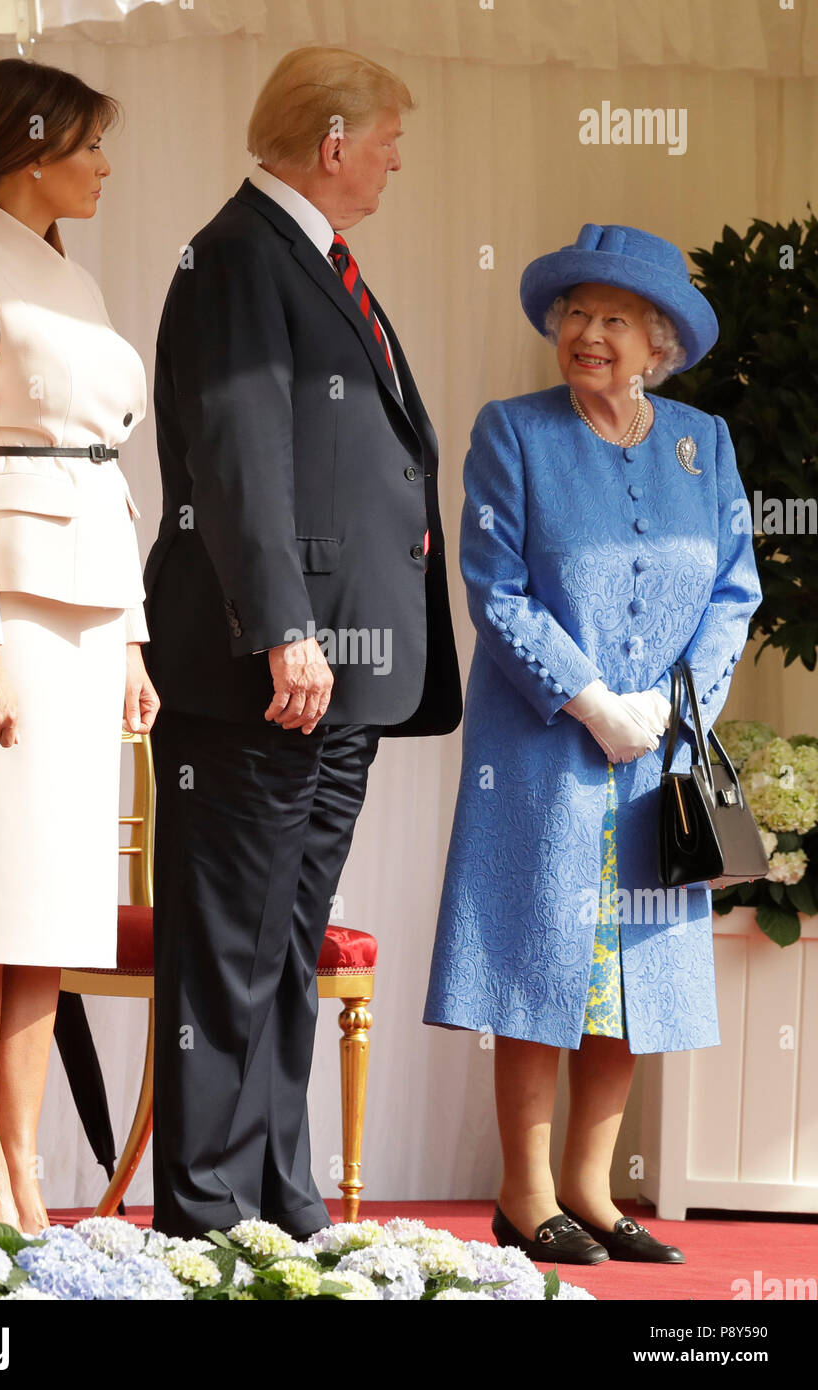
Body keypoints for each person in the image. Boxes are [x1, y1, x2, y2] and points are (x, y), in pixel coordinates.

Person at [143, 45, 462, 1239]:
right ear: (333, 141)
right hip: (266, 671)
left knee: (284, 948)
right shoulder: (235, 257)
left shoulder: (309, 257)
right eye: (385, 142)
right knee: (229, 953)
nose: (392, 163)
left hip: (347, 678)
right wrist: (285, 627)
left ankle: (276, 1203)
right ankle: (208, 1221)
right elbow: (237, 459)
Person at [423, 223, 762, 1264]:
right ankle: (525, 1193)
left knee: (633, 971)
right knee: (537, 961)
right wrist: (590, 700)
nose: (588, 333)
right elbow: (497, 589)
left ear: (657, 343)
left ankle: (592, 1186)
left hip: (658, 757)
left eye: (614, 318)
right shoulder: (513, 432)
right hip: (541, 747)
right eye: (576, 313)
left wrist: (671, 704)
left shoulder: (703, 441)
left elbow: (734, 590)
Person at [0, 58, 159, 1237]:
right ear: (30, 151)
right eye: (90, 144)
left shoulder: (77, 283)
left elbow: (106, 473)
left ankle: (18, 1160)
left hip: (90, 614)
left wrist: (133, 642)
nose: (106, 164)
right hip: (7, 614)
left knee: (51, 908)